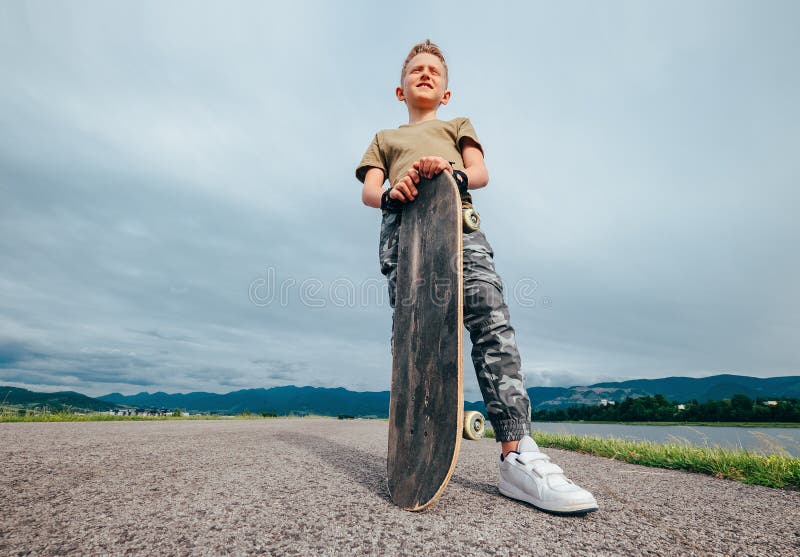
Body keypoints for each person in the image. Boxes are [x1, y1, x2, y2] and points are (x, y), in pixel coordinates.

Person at [356, 39, 598, 515]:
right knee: (413, 339)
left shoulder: (457, 125)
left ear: (446, 93)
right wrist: (392, 191)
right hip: (406, 236)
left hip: (459, 229)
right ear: (400, 90)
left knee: (491, 322)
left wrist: (452, 173)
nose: (425, 74)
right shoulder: (384, 138)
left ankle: (517, 453)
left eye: (435, 71)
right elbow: (369, 190)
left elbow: (480, 171)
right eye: (416, 70)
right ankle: (414, 448)